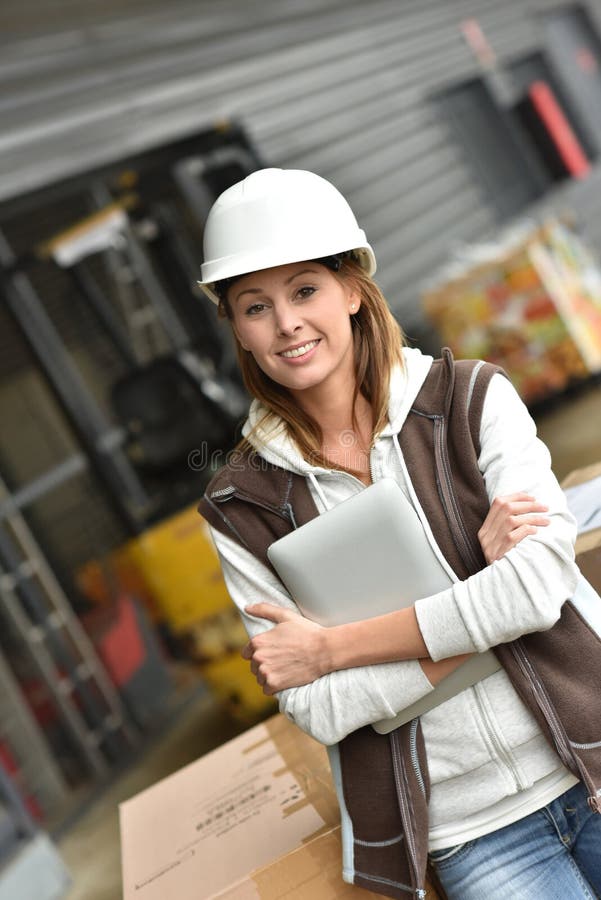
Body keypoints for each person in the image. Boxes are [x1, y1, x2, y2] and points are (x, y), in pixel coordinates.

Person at [197, 168, 601, 900]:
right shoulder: (240, 505)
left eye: (305, 290)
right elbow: (315, 704)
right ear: (237, 329)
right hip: (475, 833)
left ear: (352, 289)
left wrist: (330, 648)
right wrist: (483, 594)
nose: (286, 322)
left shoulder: (473, 399)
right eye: (255, 305)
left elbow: (539, 588)